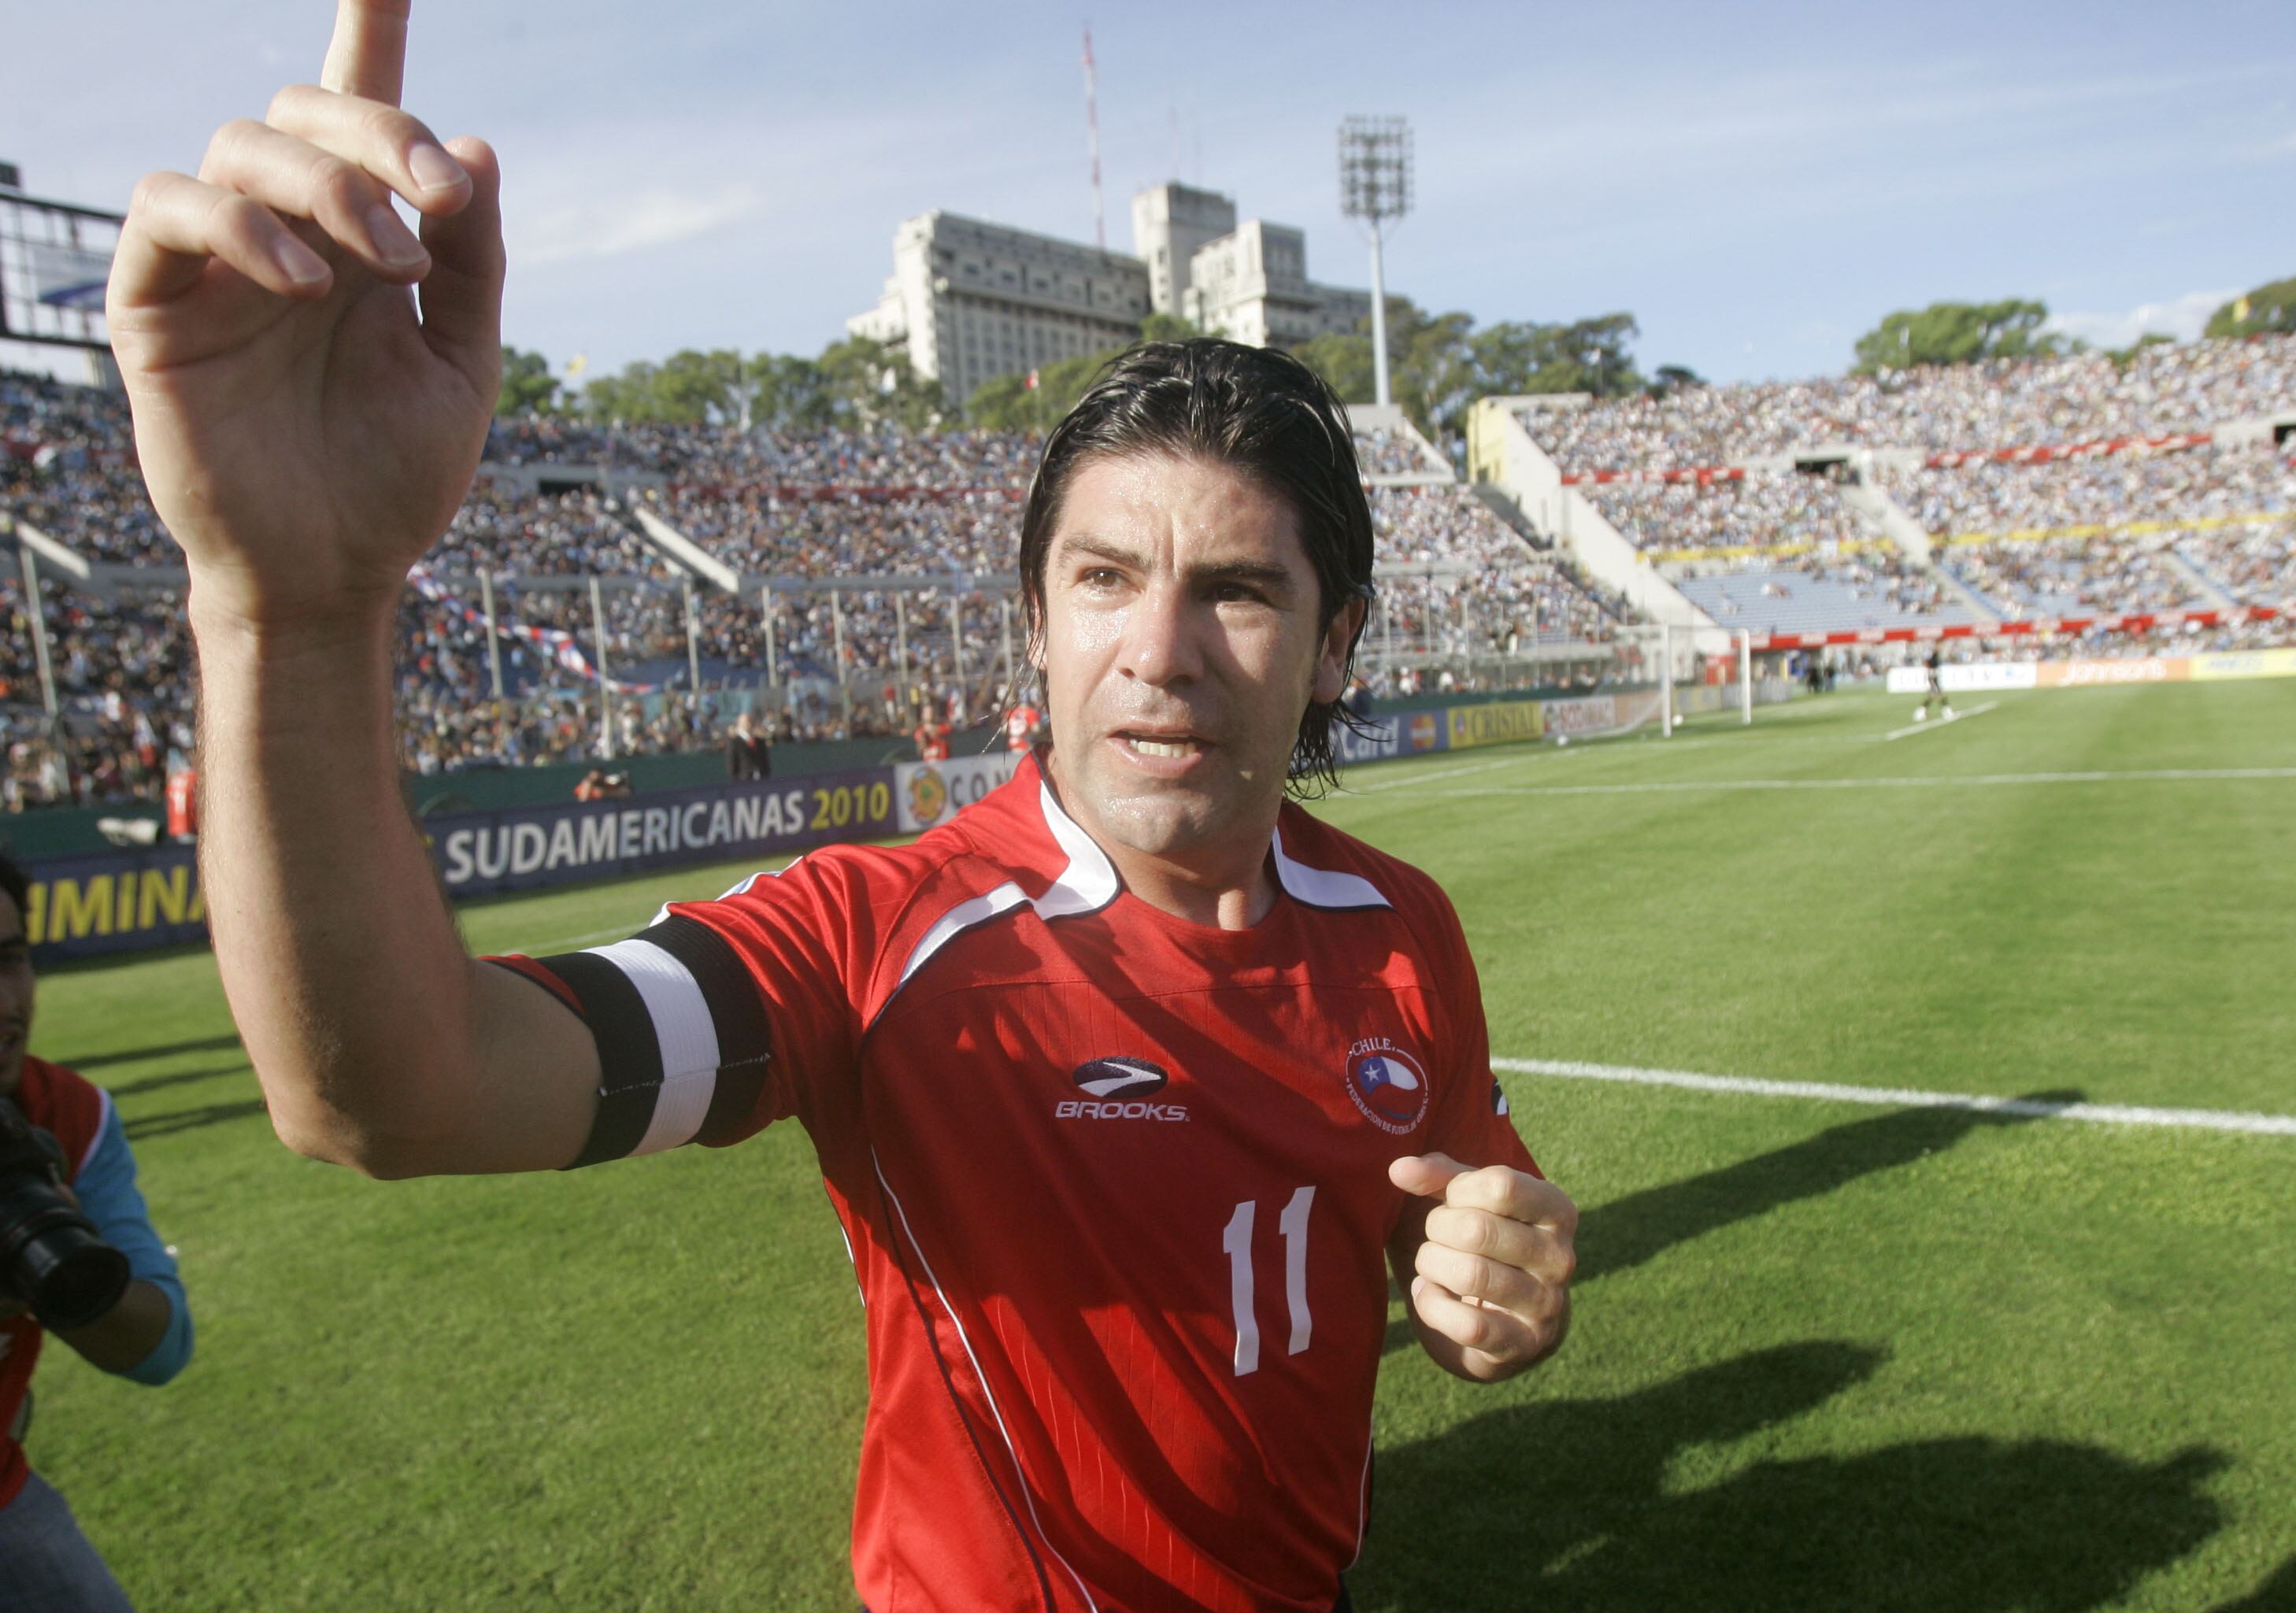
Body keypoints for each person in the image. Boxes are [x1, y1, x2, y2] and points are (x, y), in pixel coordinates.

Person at [105, 11, 1573, 1608]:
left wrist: (1490, 1299)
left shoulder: (1400, 924)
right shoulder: (883, 937)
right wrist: (289, 606)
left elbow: (1456, 1247)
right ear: (1036, 620)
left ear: (1334, 639)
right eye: (1102, 580)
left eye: (1233, 591)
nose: (1156, 652)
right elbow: (397, 1092)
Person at [0, 853, 195, 1611]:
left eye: (11, 959)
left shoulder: (69, 1120)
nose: (4, 1003)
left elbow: (161, 1346)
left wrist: (51, 1266)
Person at [724, 710, 772, 781]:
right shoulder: (734, 742)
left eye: (750, 721)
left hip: (761, 778)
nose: (749, 724)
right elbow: (732, 763)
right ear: (739, 724)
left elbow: (765, 761)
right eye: (746, 722)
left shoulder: (759, 741)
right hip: (744, 780)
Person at [1919, 646, 1956, 721]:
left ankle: (1922, 711)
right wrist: (1930, 671)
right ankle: (1947, 711)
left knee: (1933, 695)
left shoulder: (1936, 654)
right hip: (1932, 676)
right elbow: (1926, 662)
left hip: (1934, 675)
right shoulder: (1931, 654)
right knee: (1940, 694)